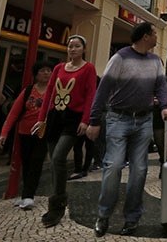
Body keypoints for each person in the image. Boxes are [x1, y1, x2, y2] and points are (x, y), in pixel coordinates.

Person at [85, 22, 167, 237]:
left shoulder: (155, 61)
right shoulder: (120, 57)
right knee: (113, 166)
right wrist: (94, 121)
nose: (156, 37)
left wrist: (164, 106)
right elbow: (103, 90)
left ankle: (132, 218)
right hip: (118, 118)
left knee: (139, 170)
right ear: (144, 36)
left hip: (144, 121)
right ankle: (103, 214)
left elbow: (161, 86)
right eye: (153, 33)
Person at [32, 35, 97, 228]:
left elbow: (90, 95)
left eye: (77, 46)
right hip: (55, 117)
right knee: (54, 161)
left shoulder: (88, 68)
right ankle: (60, 198)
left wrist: (86, 121)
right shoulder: (59, 68)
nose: (73, 49)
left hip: (73, 119)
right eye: (70, 46)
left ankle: (57, 203)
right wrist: (41, 119)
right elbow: (50, 92)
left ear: (83, 49)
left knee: (59, 157)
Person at [0, 60, 54, 211]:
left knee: (36, 162)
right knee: (27, 163)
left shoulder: (54, 91)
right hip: (25, 132)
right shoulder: (28, 91)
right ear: (36, 74)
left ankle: (29, 195)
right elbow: (14, 113)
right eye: (42, 70)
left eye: (49, 70)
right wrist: (4, 133)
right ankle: (26, 194)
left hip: (43, 133)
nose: (46, 73)